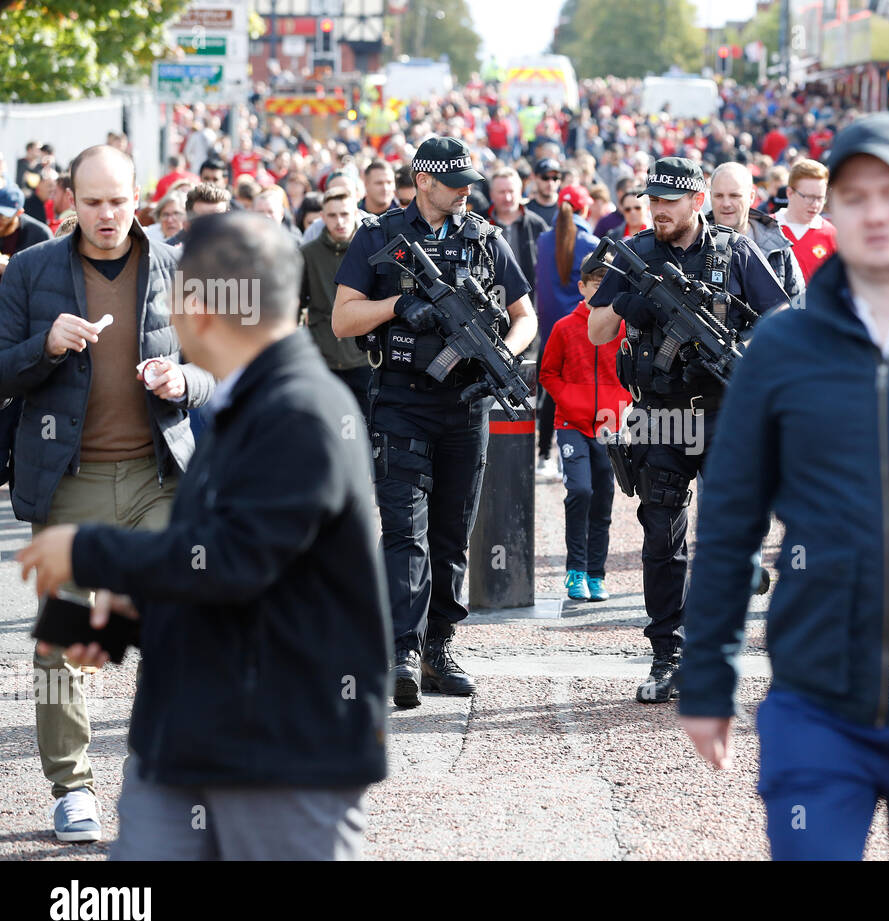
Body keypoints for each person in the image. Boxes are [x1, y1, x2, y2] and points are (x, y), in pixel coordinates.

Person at [674, 114, 889, 861]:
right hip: (819, 697)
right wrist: (706, 674)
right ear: (832, 211)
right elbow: (730, 518)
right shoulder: (783, 348)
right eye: (854, 196)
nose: (876, 212)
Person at [18, 211, 390, 860]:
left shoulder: (299, 409)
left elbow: (232, 561)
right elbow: (232, 569)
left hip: (279, 755)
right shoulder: (253, 400)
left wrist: (85, 549)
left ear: (200, 308)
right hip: (197, 738)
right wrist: (124, 622)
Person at [0, 144, 213, 843]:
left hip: (161, 477)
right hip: (69, 483)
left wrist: (184, 381)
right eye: (91, 202)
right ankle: (72, 788)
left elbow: (218, 368)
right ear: (68, 202)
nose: (107, 215)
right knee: (66, 641)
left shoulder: (181, 267)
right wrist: (44, 346)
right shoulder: (30, 270)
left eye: (118, 200)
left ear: (138, 197)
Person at [332, 136, 537, 708]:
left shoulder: (485, 239)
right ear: (423, 180)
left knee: (450, 534)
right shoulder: (379, 236)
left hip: (465, 407)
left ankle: (440, 648)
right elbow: (343, 319)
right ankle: (402, 650)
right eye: (455, 184)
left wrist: (508, 354)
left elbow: (526, 315)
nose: (465, 193)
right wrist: (396, 306)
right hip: (401, 403)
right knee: (404, 532)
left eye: (469, 183)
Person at [587, 156, 789, 704]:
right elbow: (596, 329)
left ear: (696, 201)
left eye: (669, 201)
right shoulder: (637, 253)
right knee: (661, 539)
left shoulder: (735, 250)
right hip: (660, 415)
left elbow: (783, 320)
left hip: (726, 411)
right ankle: (666, 654)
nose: (658, 210)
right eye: (652, 200)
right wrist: (635, 301)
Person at [538, 254, 632, 602]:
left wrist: (619, 404)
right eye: (596, 285)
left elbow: (630, 374)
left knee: (603, 500)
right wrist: (573, 402)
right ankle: (575, 570)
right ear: (583, 287)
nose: (601, 292)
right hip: (571, 424)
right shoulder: (565, 327)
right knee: (580, 491)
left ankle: (596, 574)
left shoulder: (622, 329)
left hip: (610, 426)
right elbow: (548, 373)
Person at [536, 185, 600, 481]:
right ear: (583, 210)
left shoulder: (543, 241)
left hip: (549, 329)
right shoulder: (592, 243)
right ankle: (575, 456)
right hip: (581, 328)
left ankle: (545, 454)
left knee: (552, 393)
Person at [301, 188, 370, 410]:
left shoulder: (373, 249)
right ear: (322, 217)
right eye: (332, 215)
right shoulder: (308, 254)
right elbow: (296, 304)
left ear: (356, 213)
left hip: (364, 359)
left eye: (345, 214)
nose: (339, 221)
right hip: (323, 359)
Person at [708, 162, 804, 304]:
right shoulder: (691, 240)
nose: (726, 203)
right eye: (719, 196)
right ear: (710, 196)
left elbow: (798, 304)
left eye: (735, 195)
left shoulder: (778, 246)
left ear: (751, 196)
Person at [487, 166, 548, 306]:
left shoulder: (536, 224)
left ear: (520, 192)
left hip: (530, 303)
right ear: (491, 194)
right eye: (502, 192)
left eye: (511, 191)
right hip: (490, 306)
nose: (507, 197)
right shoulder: (480, 224)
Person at [776, 159, 837, 283]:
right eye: (808, 197)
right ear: (789, 193)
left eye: (820, 198)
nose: (815, 205)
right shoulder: (766, 228)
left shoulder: (832, 234)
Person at [0, 182, 53, 283]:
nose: (0, 220)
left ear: (19, 213)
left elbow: (47, 276)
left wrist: (10, 269)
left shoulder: (40, 235)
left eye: (4, 216)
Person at [527, 157, 562, 227]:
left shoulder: (565, 208)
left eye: (555, 178)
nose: (550, 183)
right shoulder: (527, 209)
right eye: (545, 178)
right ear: (535, 178)